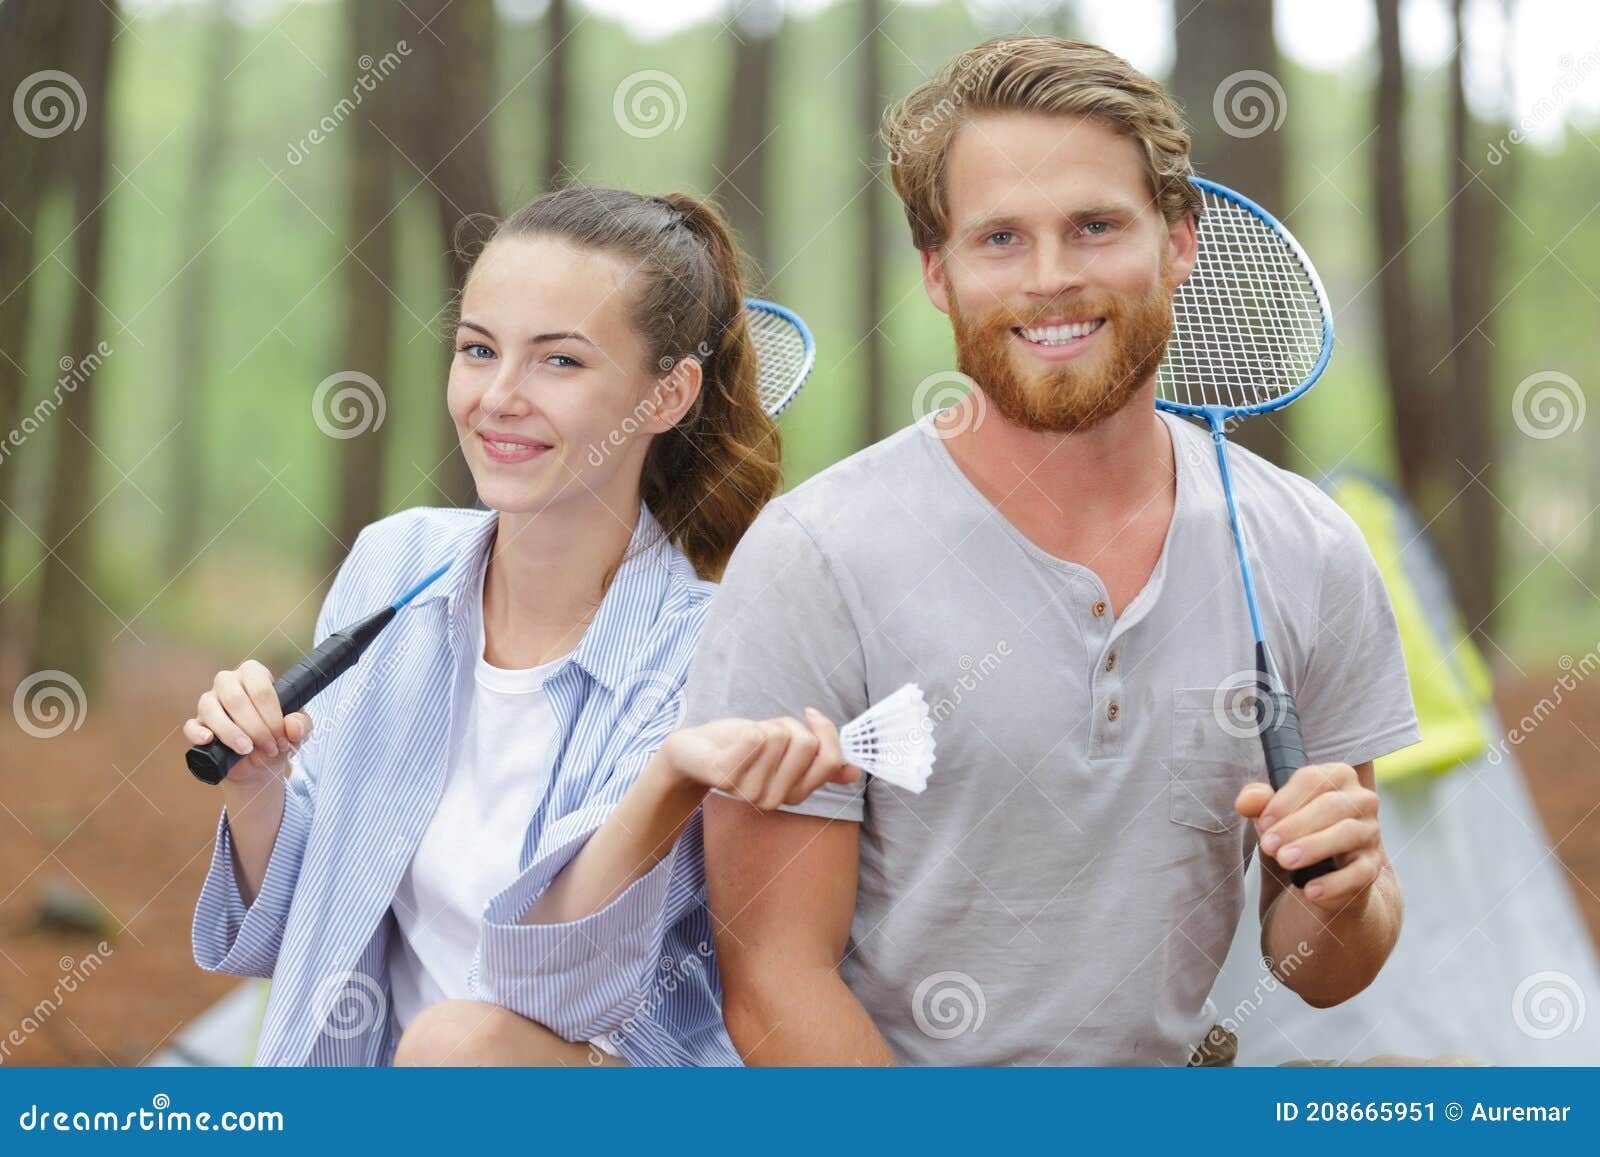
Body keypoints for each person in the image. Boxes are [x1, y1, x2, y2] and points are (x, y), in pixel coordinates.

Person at [683, 37, 1421, 1066]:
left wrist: (1346, 894)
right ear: (938, 275)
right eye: (999, 239)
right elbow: (772, 983)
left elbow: (1325, 961)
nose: (1051, 279)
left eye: (1094, 226)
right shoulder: (815, 556)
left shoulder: (1307, 549)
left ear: (1177, 240)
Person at [186, 187, 855, 1067]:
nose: (498, 396)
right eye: (477, 349)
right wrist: (259, 787)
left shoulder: (711, 648)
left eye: (560, 362)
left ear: (668, 395)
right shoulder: (394, 562)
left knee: (459, 1050)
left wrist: (668, 777)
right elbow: (291, 939)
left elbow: (557, 996)